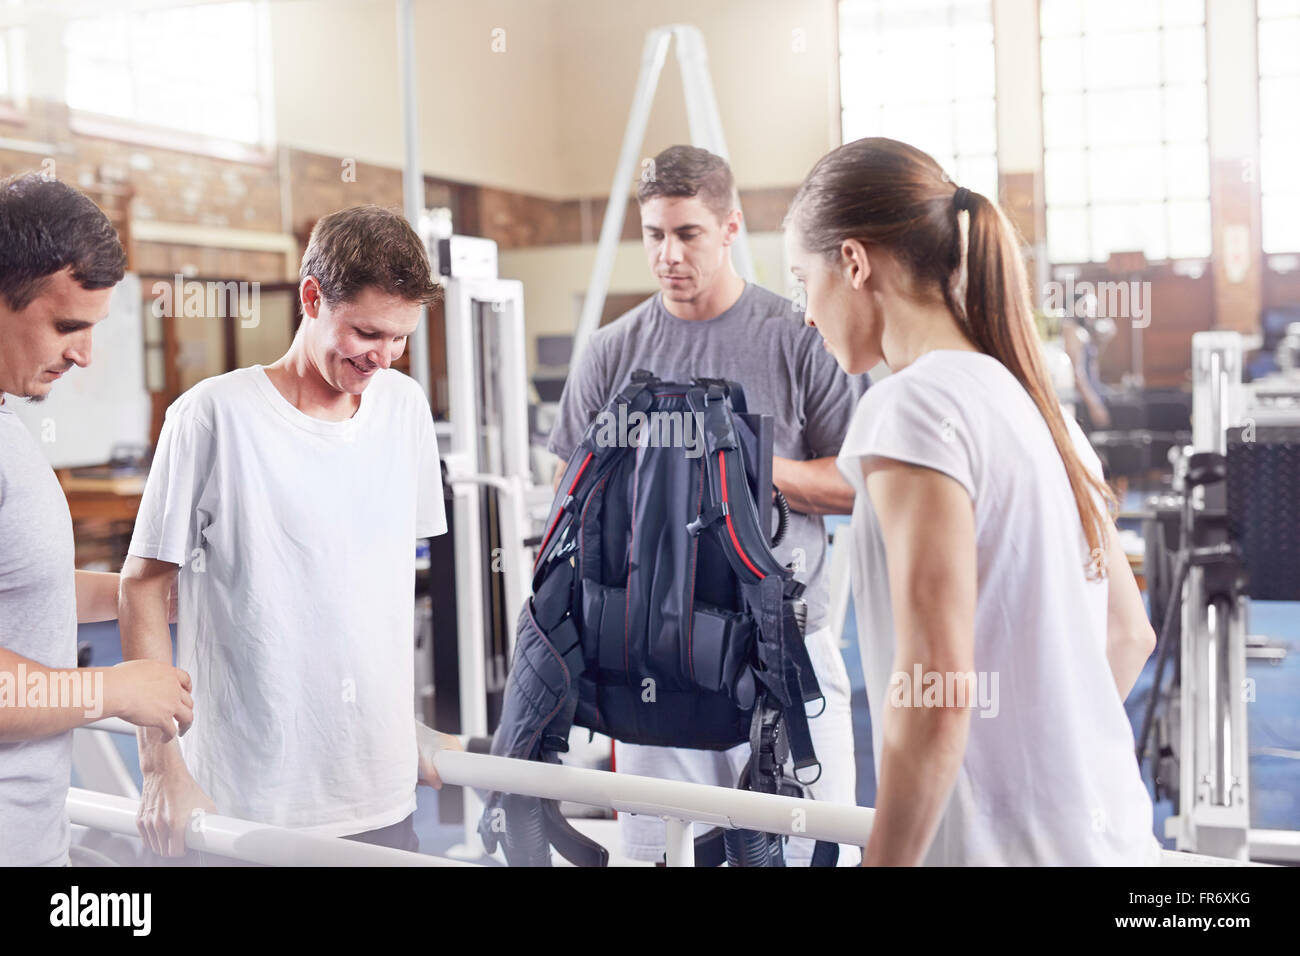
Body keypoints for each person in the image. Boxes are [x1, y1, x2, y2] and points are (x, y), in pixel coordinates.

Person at [784, 137, 1159, 865]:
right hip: (1106, 834)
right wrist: (1040, 771)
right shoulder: (1041, 410)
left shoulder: (911, 411)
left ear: (854, 263)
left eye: (804, 281)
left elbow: (936, 691)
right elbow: (1128, 635)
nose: (805, 315)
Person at [548, 145, 868, 865]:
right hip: (653, 657)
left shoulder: (799, 334)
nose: (667, 255)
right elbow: (574, 503)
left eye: (687, 233)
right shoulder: (611, 351)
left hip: (785, 651)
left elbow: (857, 483)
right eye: (654, 234)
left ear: (729, 228)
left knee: (816, 853)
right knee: (656, 857)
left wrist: (734, 469)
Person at [119, 205, 461, 859]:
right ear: (312, 297)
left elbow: (367, 591)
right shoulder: (212, 418)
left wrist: (401, 725)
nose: (383, 358)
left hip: (379, 790)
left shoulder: (404, 408)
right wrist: (163, 769)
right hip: (250, 799)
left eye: (400, 338)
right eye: (367, 333)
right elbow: (140, 590)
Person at [0, 172, 194, 867]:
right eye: (66, 325)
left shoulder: (8, 423)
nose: (84, 354)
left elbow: (20, 584)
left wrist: (131, 594)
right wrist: (110, 689)